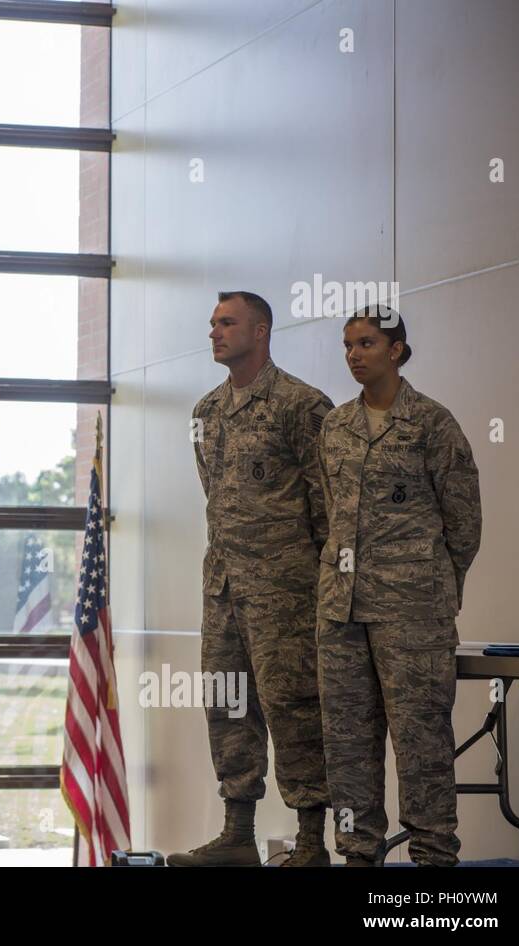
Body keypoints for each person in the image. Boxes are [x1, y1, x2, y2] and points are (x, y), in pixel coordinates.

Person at [168, 291, 333, 867]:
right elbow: (215, 496)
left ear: (260, 331)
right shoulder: (206, 411)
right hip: (224, 589)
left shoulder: (302, 405)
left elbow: (327, 506)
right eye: (212, 323)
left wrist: (320, 585)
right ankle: (238, 834)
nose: (215, 332)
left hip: (287, 593)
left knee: (294, 709)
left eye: (227, 322)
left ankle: (311, 842)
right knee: (227, 704)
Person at [317, 307, 480, 866]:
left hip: (413, 613)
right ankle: (358, 855)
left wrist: (434, 589)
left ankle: (433, 860)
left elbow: (464, 521)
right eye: (348, 345)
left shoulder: (431, 423)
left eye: (366, 343)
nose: (354, 354)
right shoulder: (335, 426)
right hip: (341, 612)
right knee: (347, 745)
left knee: (421, 743)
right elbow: (331, 513)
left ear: (397, 350)